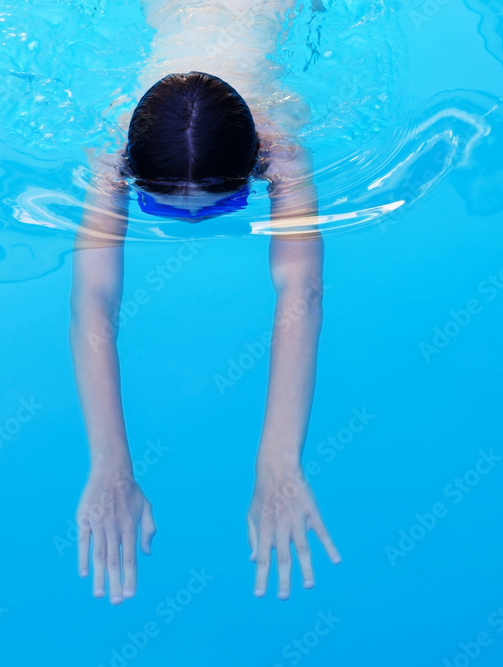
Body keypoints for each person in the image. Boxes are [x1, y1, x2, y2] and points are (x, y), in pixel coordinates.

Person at [69, 0, 339, 606]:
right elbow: (93, 300)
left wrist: (279, 457)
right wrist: (109, 463)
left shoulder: (279, 142)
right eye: (163, 210)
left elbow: (302, 289)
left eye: (219, 208)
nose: (192, 225)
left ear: (255, 168)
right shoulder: (115, 154)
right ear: (134, 177)